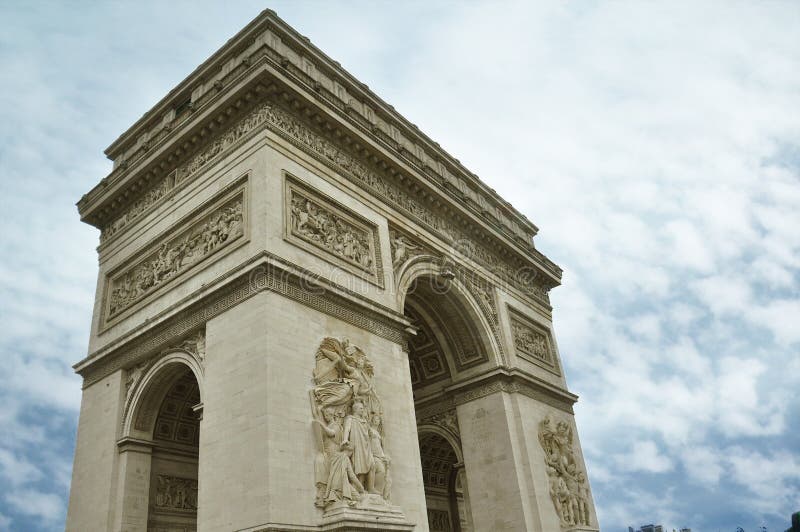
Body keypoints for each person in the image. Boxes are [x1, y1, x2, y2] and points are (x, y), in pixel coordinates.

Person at [342, 401, 373, 489]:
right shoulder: (350, 419)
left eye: (363, 408)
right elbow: (347, 429)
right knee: (358, 465)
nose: (363, 410)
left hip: (366, 446)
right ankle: (356, 487)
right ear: (355, 409)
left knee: (367, 465)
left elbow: (369, 432)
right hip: (357, 444)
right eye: (361, 408)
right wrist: (345, 439)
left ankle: (360, 487)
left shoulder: (364, 421)